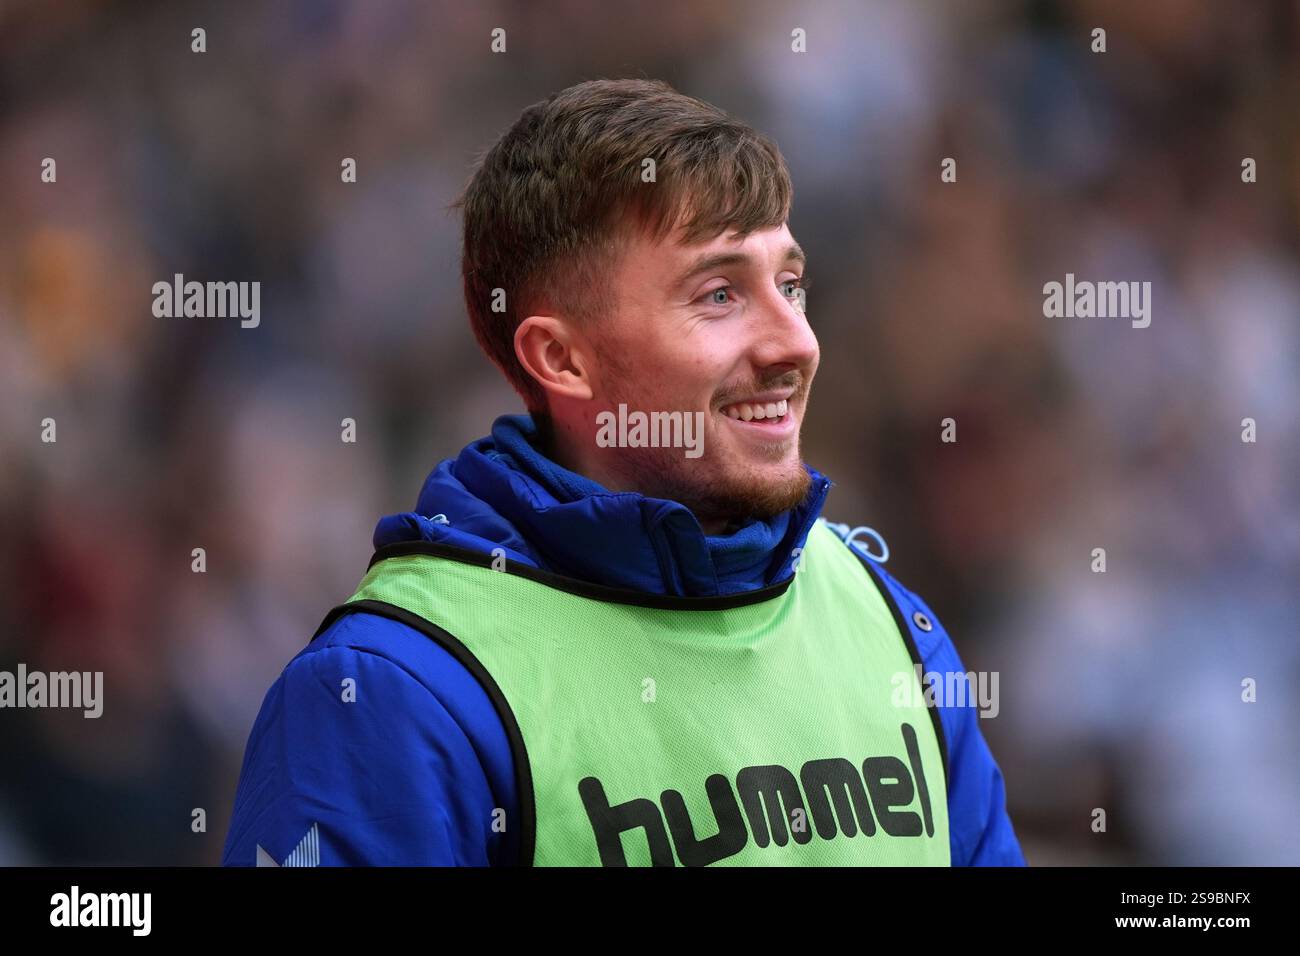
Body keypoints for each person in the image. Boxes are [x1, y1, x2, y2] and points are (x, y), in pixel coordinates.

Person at [221, 78, 1025, 867]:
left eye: (790, 286)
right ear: (562, 359)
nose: (795, 344)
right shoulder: (390, 695)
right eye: (719, 295)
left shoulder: (892, 628)